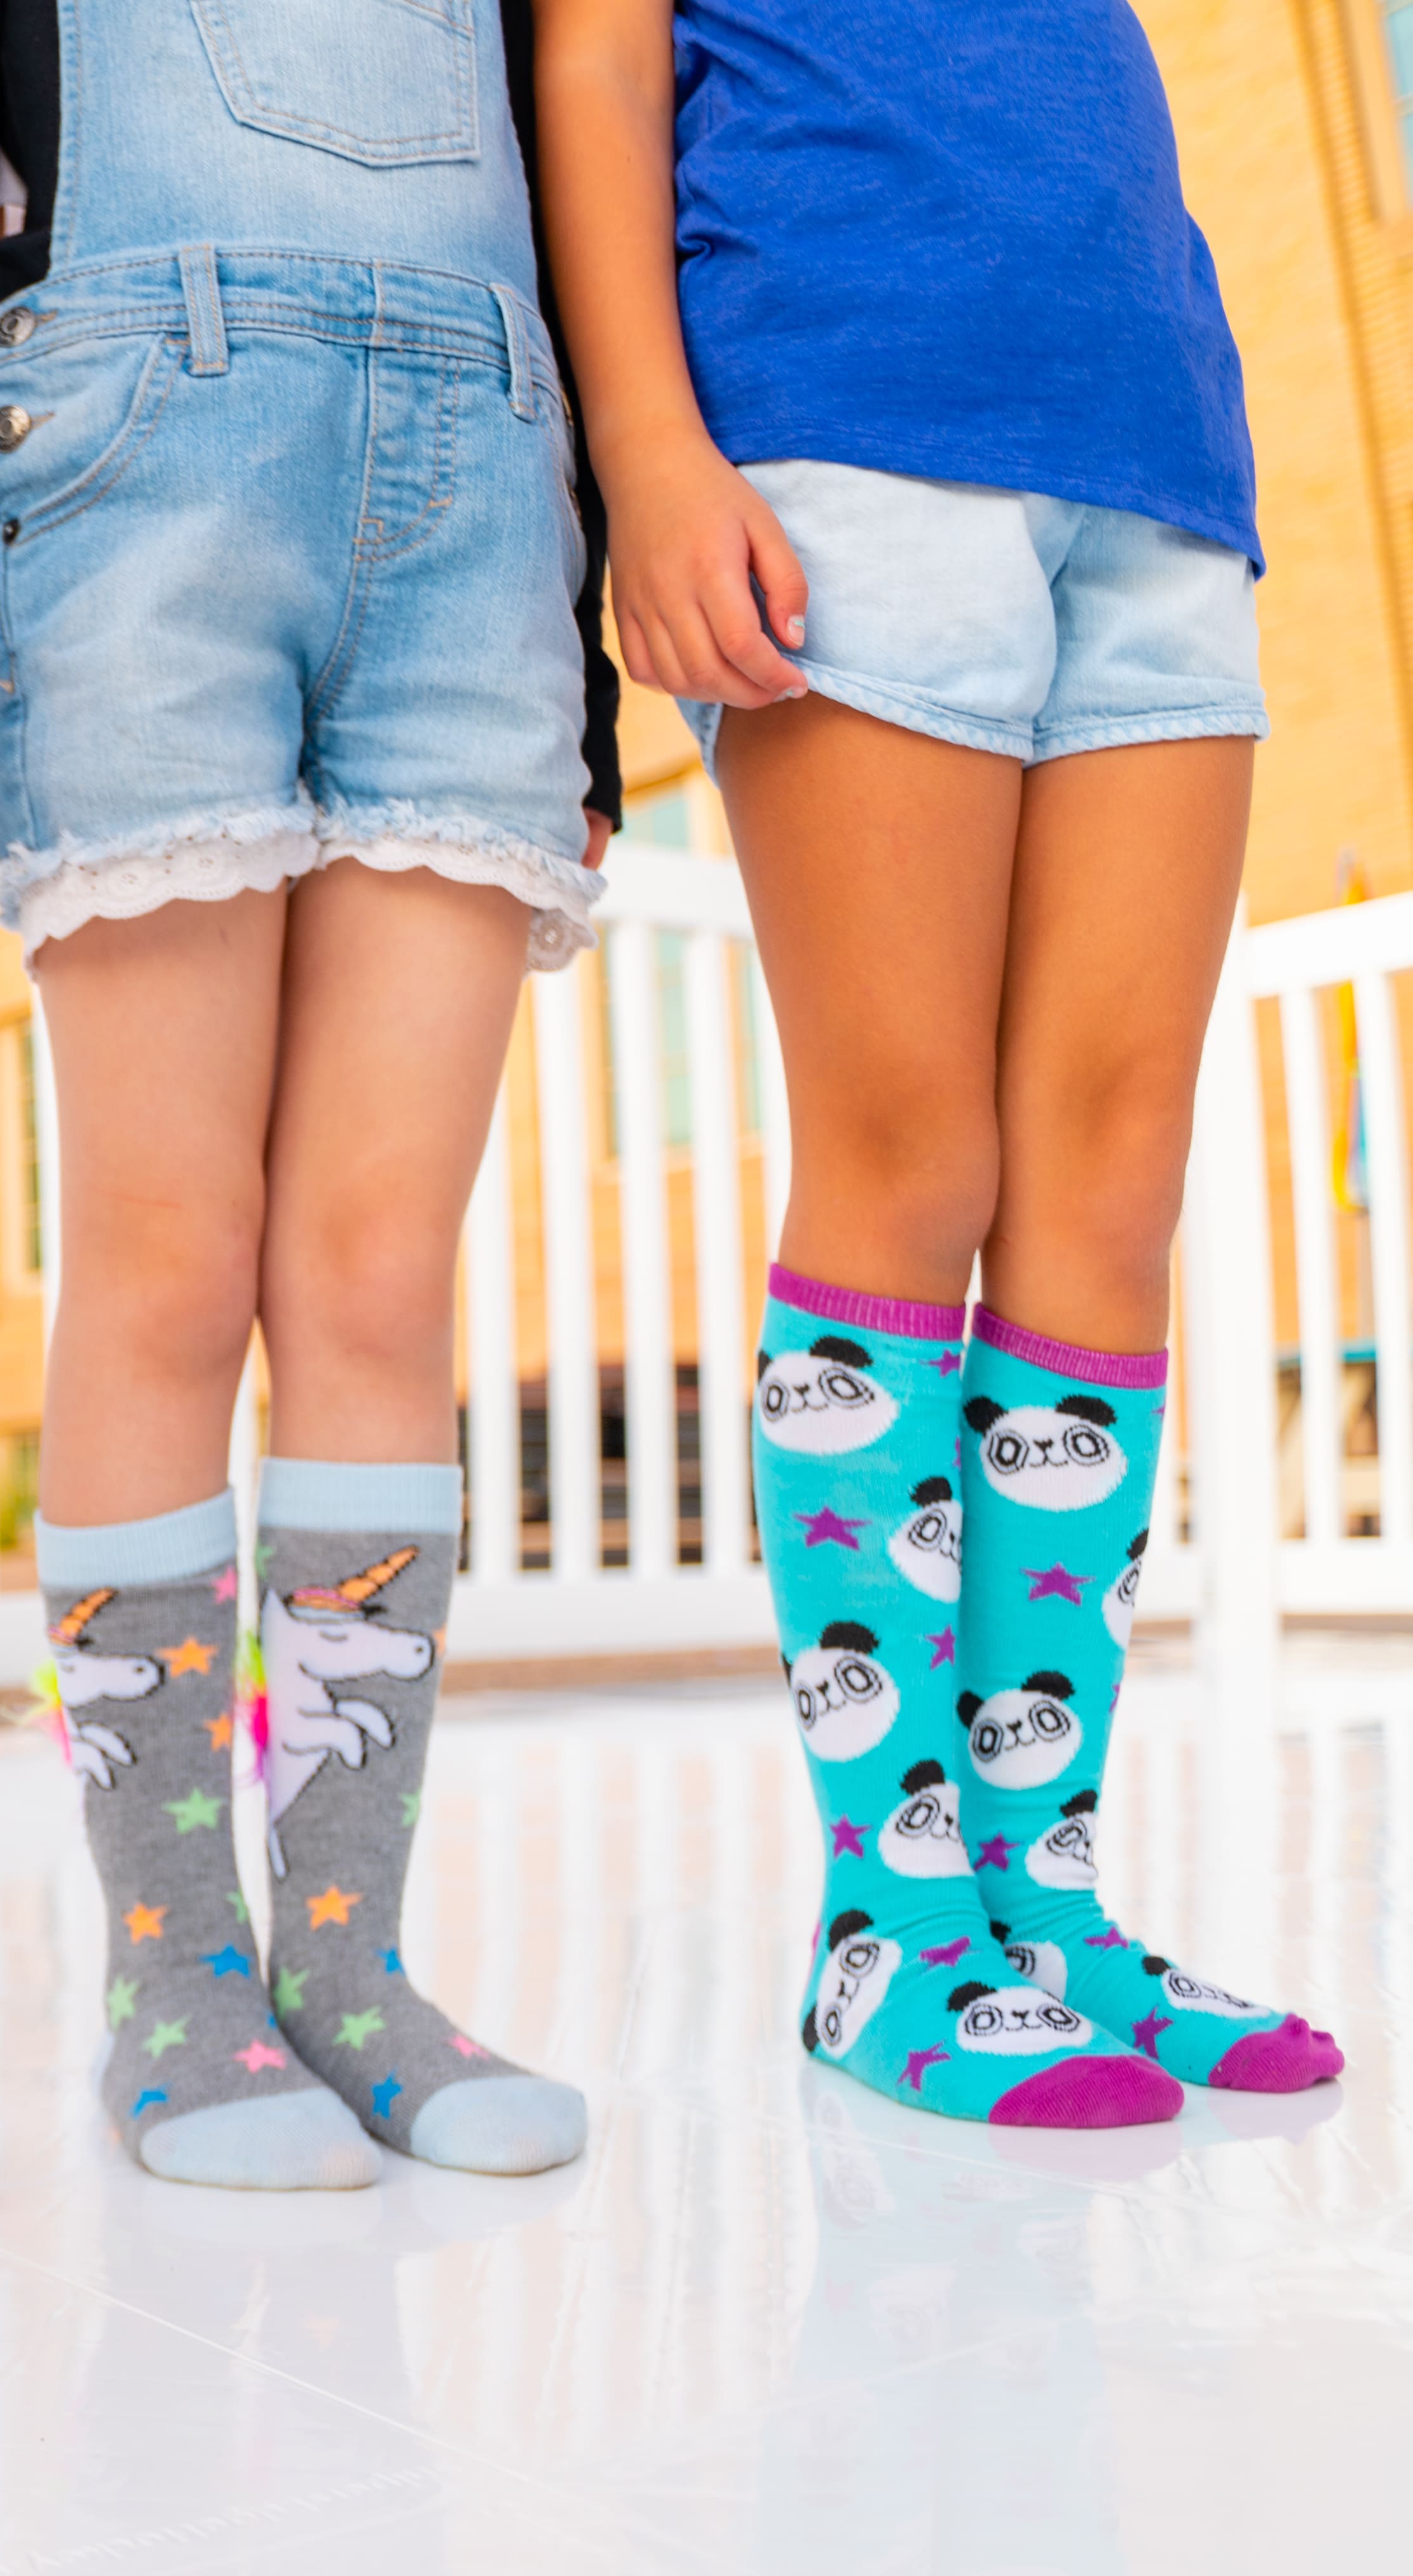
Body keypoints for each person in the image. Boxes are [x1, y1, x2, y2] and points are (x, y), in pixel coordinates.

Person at [539, 0, 1343, 2122]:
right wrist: (648, 453)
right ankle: (893, 1932)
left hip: (1156, 456)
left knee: (1110, 1178)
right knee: (914, 1158)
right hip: (848, 423)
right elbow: (603, 67)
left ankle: (1041, 1908)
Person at [0, 0, 608, 2192]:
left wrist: (581, 670)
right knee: (166, 1251)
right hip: (136, 439)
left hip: (487, 466)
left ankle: (346, 1959)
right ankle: (179, 1968)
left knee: (385, 1264)